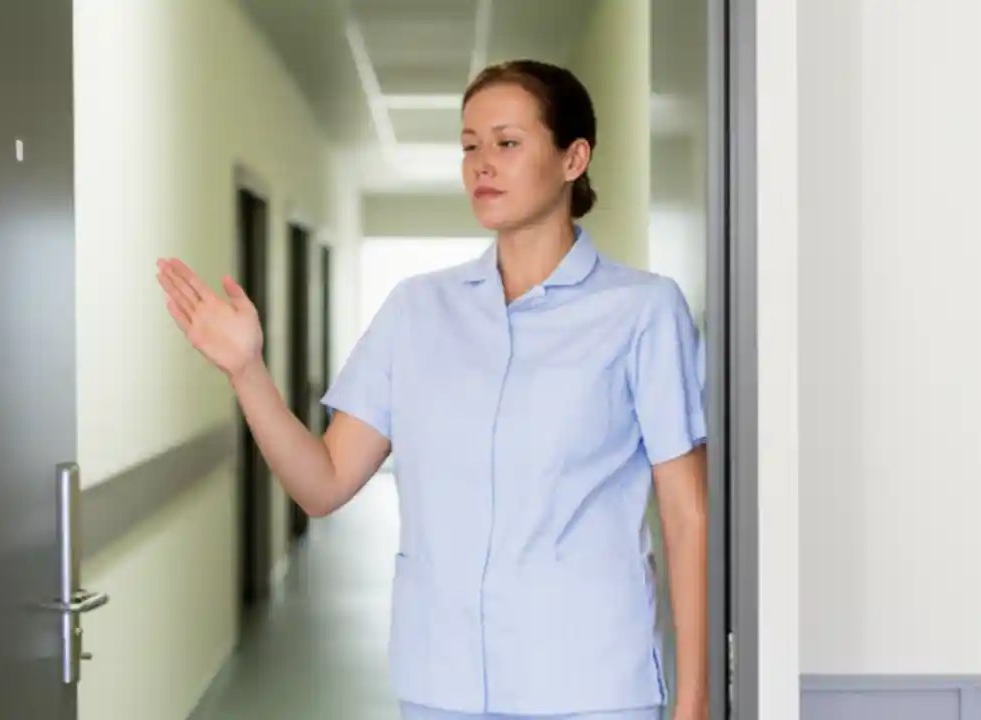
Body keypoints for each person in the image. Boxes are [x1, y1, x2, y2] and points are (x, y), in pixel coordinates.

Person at [155, 60, 708, 720]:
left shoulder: (641, 311)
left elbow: (686, 517)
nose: (481, 165)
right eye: (469, 146)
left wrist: (694, 703)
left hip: (587, 688)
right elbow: (323, 484)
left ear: (573, 158)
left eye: (507, 143)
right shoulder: (417, 311)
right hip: (440, 686)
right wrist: (247, 372)